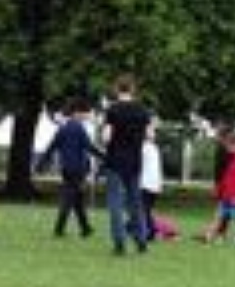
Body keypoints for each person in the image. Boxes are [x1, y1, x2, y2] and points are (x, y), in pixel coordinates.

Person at [38, 98, 103, 238]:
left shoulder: (63, 128)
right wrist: (105, 156)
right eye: (85, 112)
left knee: (77, 198)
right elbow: (89, 146)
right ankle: (59, 229)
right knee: (69, 198)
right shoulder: (78, 128)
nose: (87, 115)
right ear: (77, 113)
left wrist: (41, 163)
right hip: (78, 169)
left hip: (66, 168)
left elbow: (52, 146)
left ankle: (85, 228)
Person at [101, 77, 151, 256]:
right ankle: (141, 240)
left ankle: (120, 242)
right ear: (133, 89)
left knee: (115, 202)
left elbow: (106, 136)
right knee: (135, 202)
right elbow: (150, 135)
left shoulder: (112, 110)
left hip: (115, 160)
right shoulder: (143, 111)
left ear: (117, 89)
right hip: (134, 161)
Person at [140, 121, 164, 243]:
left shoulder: (143, 148)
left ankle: (151, 231)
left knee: (144, 209)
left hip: (146, 183)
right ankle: (149, 230)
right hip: (154, 184)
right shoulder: (154, 148)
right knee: (146, 209)